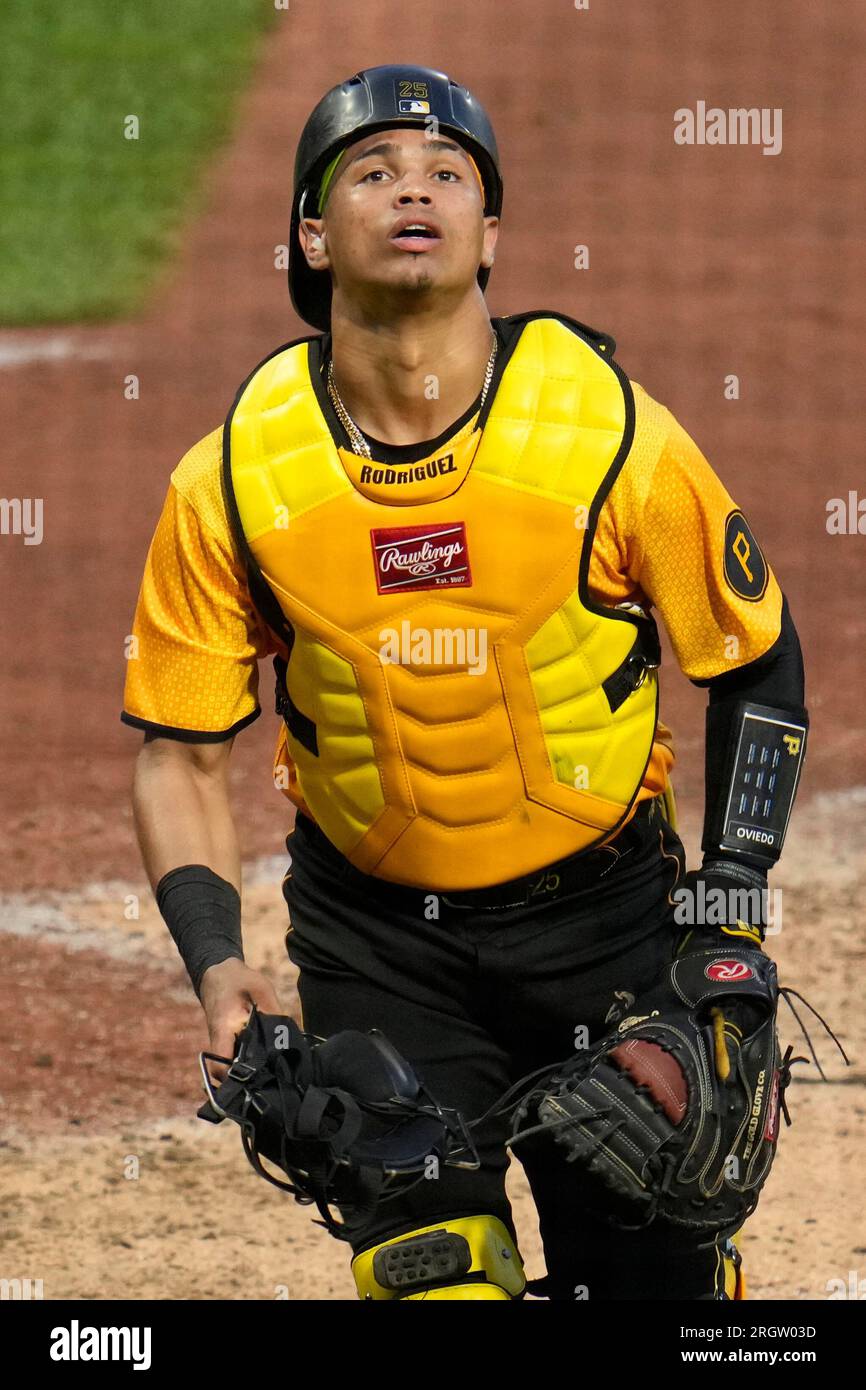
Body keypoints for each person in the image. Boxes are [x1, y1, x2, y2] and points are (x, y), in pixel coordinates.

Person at [122, 64, 808, 1300]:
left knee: (650, 1283)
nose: (413, 190)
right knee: (434, 1274)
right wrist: (218, 963)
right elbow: (178, 747)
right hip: (379, 947)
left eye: (449, 173)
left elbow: (753, 659)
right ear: (312, 234)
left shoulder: (603, 431)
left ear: (491, 234)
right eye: (372, 173)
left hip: (604, 928)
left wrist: (733, 897)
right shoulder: (231, 477)